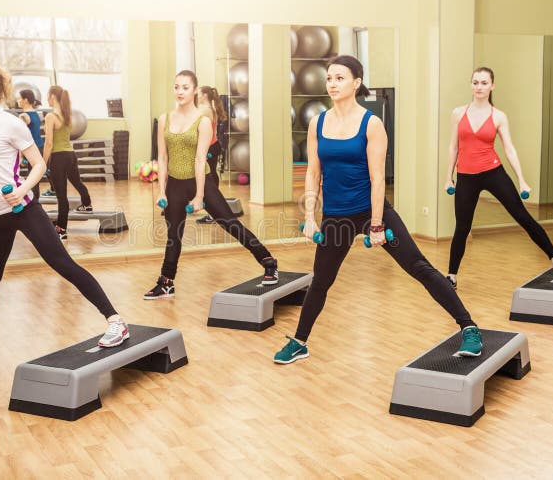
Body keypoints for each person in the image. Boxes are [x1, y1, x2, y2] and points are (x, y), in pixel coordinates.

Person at [274, 55, 482, 364]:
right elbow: (313, 173)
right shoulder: (318, 122)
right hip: (336, 215)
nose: (332, 83)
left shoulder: (371, 123)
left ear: (356, 83)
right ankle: (300, 342)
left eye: (340, 78)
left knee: (418, 267)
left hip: (373, 210)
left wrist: (375, 223)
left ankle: (469, 327)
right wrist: (308, 217)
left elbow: (376, 177)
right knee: (320, 281)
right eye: (329, 78)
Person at [0, 63, 128, 356]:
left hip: (22, 209)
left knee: (61, 262)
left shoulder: (10, 123)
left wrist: (21, 191)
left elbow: (39, 164)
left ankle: (115, 321)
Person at [144, 70, 279, 299]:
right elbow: (163, 158)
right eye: (176, 86)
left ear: (195, 90)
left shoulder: (203, 121)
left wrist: (198, 196)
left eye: (185, 87)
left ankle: (268, 261)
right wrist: (161, 190)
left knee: (229, 223)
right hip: (175, 183)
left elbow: (199, 159)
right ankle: (166, 282)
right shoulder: (165, 119)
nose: (180, 91)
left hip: (201, 181)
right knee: (173, 235)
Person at [444, 66, 553, 289]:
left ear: (492, 86)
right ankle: (451, 276)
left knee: (522, 216)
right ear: (471, 85)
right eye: (475, 82)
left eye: (484, 83)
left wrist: (522, 180)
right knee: (462, 227)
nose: (479, 87)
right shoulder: (458, 113)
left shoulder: (498, 116)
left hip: (493, 172)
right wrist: (448, 177)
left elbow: (509, 149)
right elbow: (453, 147)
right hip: (466, 176)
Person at [43, 85, 93, 241]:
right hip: (71, 155)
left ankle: (61, 230)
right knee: (77, 182)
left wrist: (43, 163)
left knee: (61, 196)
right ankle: (87, 204)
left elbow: (49, 143)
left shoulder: (51, 117)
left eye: (47, 96)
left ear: (52, 97)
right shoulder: (68, 115)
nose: (46, 99)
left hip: (58, 157)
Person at [194, 85, 228, 224]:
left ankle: (215, 212)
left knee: (210, 179)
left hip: (210, 148)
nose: (197, 95)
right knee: (211, 177)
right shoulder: (210, 109)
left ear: (205, 96)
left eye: (199, 93)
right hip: (212, 146)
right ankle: (215, 211)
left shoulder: (205, 111)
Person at [16, 89, 45, 204]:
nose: (17, 101)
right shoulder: (36, 114)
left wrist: (21, 156)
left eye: (19, 98)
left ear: (25, 100)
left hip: (31, 150)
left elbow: (22, 138)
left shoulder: (24, 116)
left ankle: (34, 204)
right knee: (36, 177)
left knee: (33, 179)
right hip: (39, 147)